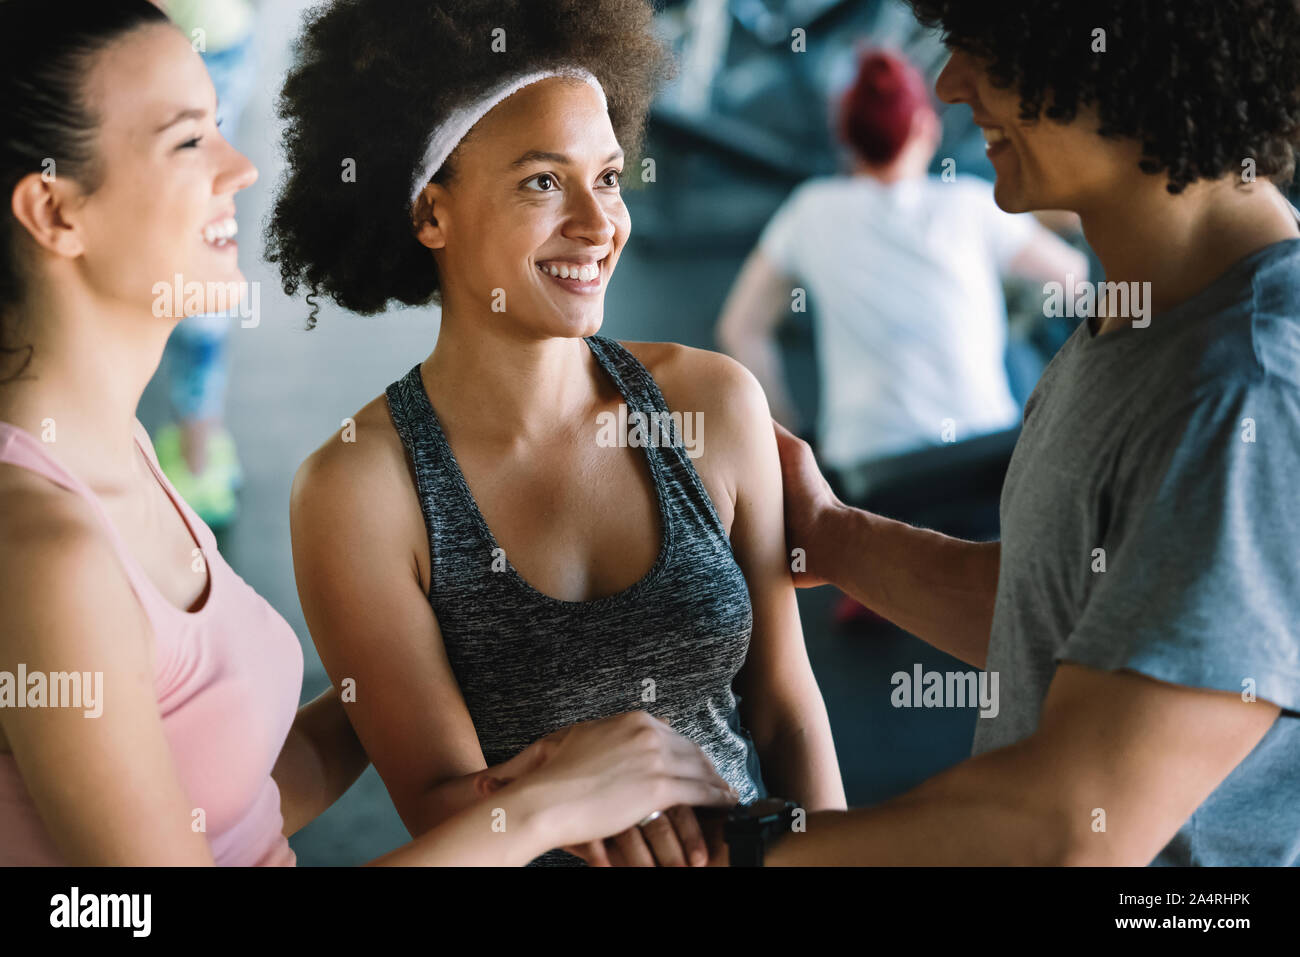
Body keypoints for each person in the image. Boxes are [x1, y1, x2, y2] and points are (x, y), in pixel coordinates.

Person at [0, 0, 738, 866]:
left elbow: (239, 796)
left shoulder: (112, 449)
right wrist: (543, 808)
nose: (239, 168)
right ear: (55, 212)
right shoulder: (44, 549)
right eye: (189, 140)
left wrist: (446, 648)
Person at [710, 0, 1300, 866]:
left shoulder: (1246, 391)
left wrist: (747, 852)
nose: (950, 85)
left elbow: (1064, 828)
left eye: (993, 52)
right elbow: (1065, 612)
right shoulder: (1140, 323)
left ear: (1121, 54)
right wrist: (834, 535)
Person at [273, 0, 846, 866]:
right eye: (543, 181)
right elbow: (435, 795)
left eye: (608, 177)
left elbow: (786, 706)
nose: (597, 222)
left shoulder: (714, 403)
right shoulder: (359, 490)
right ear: (431, 214)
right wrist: (571, 797)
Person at [717, 48, 1086, 501]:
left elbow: (740, 329)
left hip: (871, 473)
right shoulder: (969, 204)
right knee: (1016, 360)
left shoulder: (810, 209)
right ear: (924, 127)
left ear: (846, 137)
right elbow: (1075, 280)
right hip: (986, 459)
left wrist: (790, 435)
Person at [148, 0, 260, 526]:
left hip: (174, 41)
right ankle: (199, 450)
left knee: (192, 238)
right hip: (214, 33)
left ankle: (197, 457)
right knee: (196, 233)